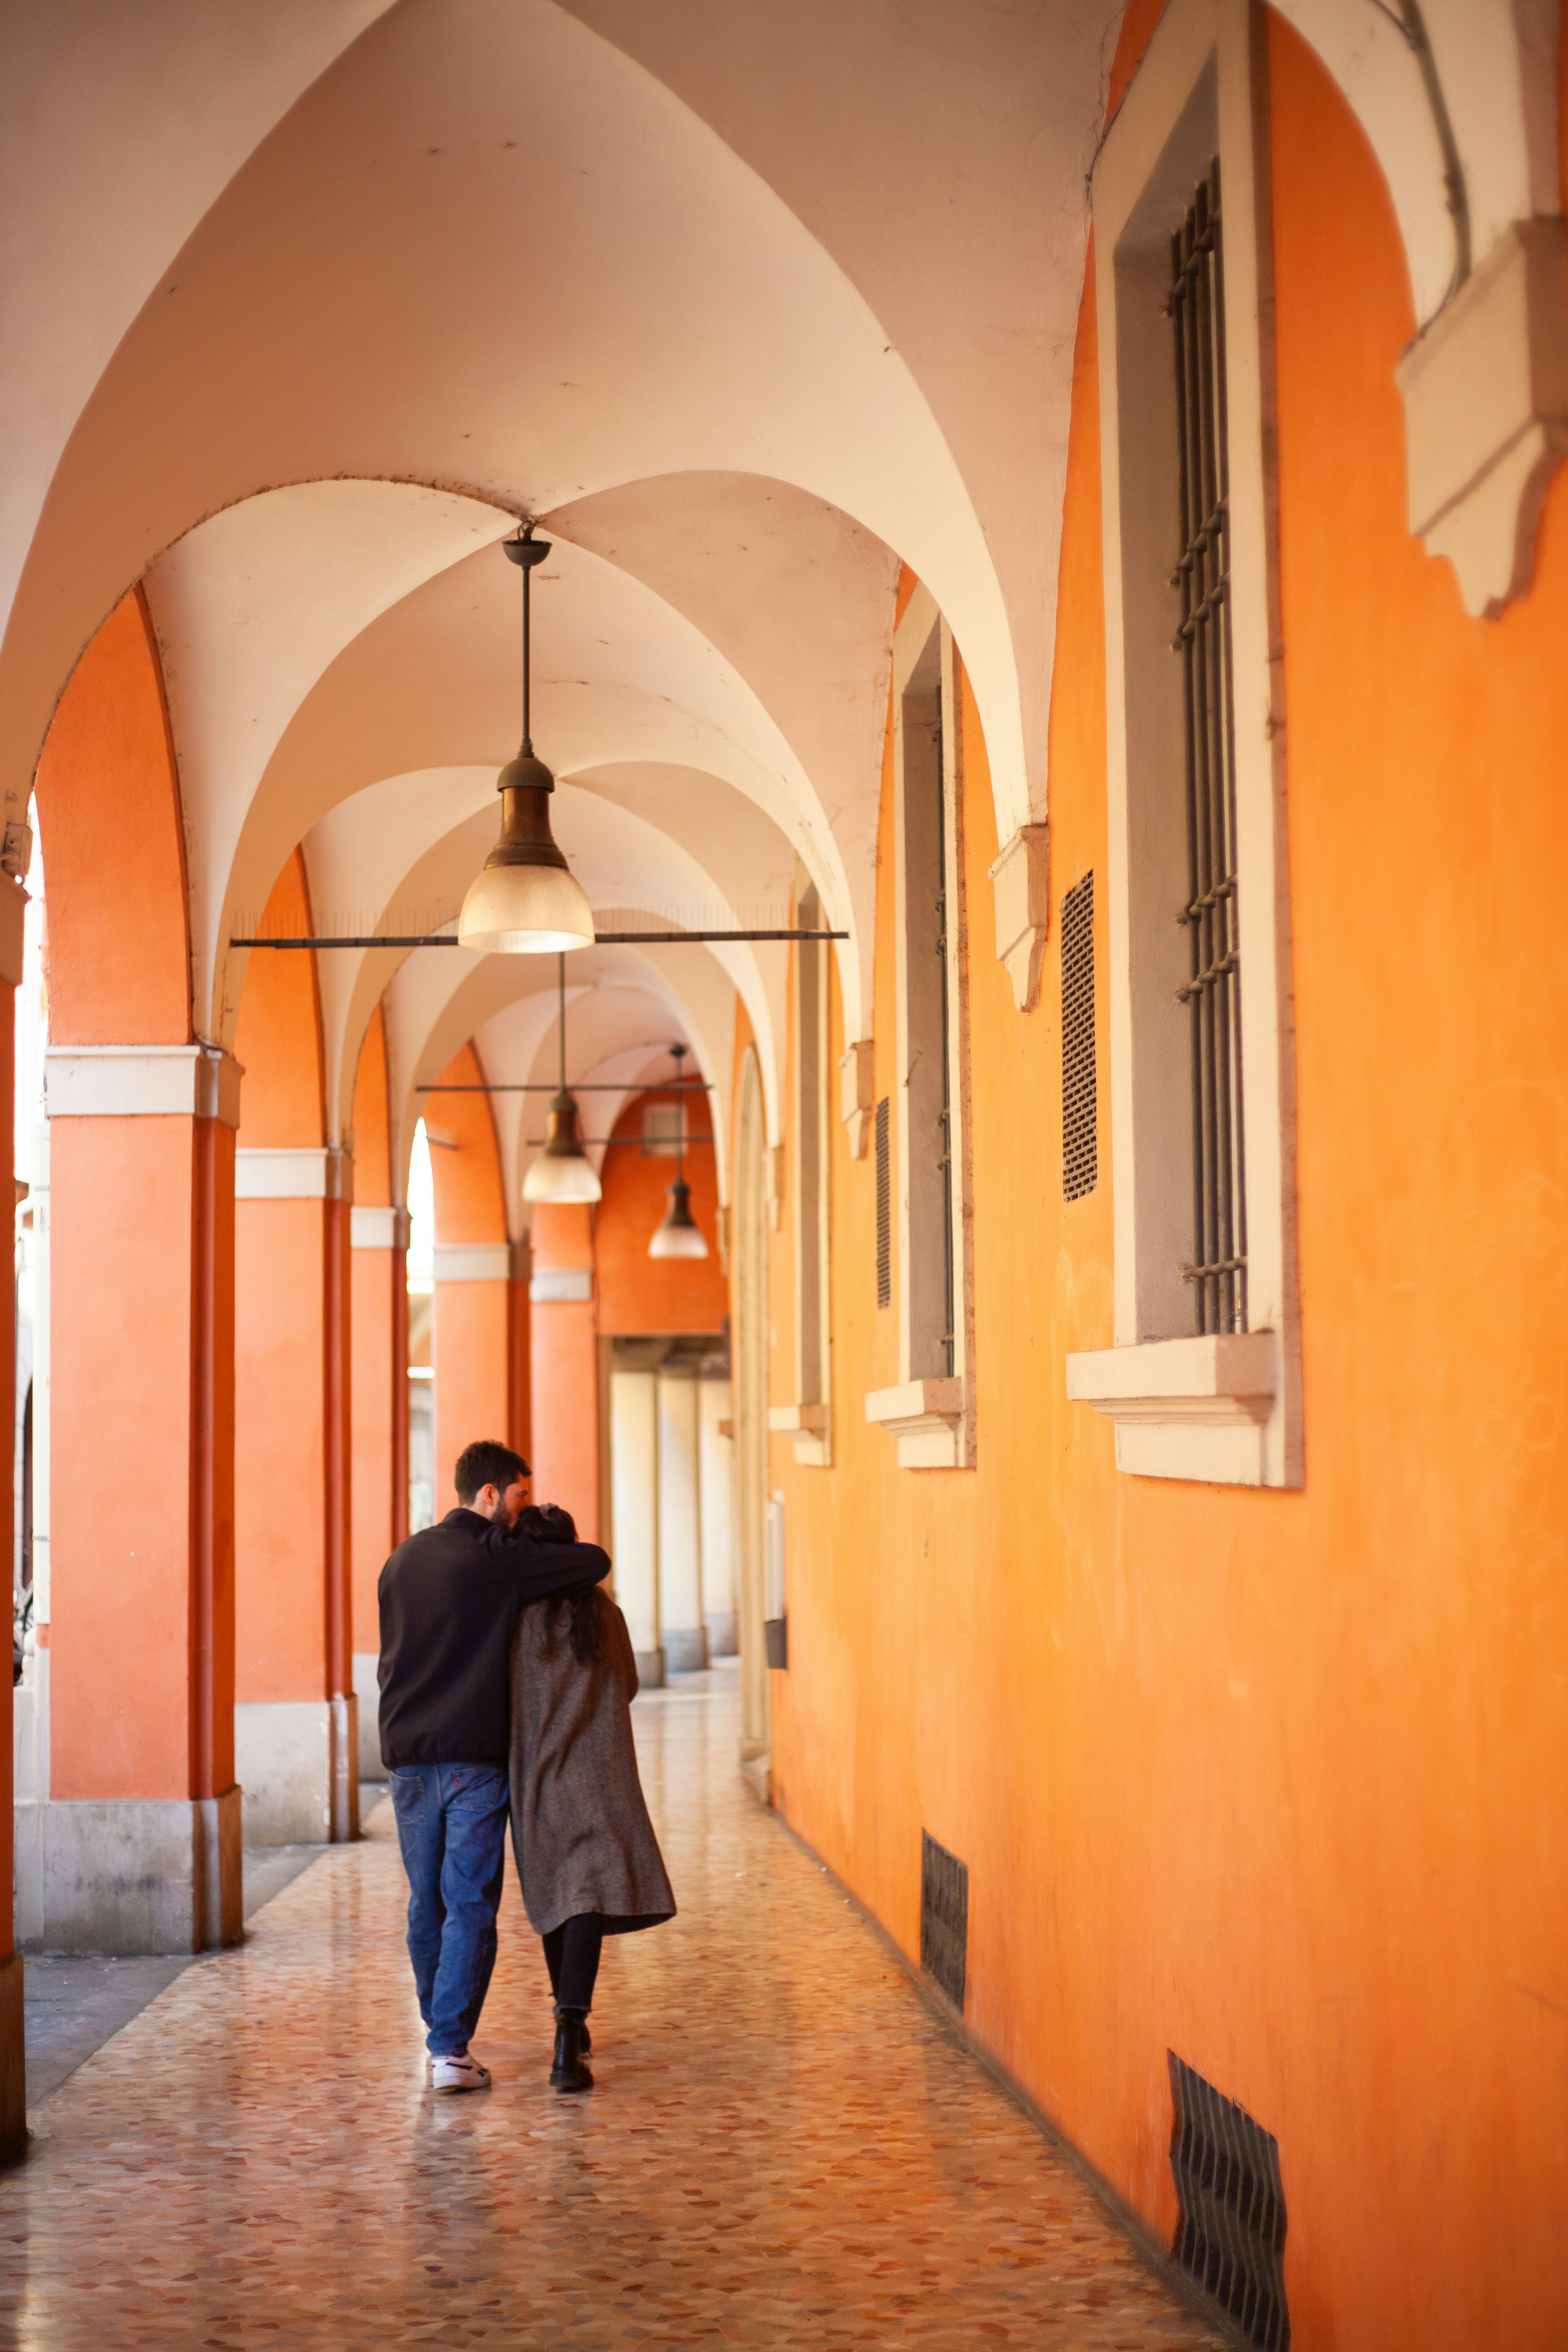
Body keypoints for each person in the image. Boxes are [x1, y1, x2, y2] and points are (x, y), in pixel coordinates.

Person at [378, 1441, 610, 2094]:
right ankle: (449, 2047)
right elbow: (592, 1561)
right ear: (488, 1495)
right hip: (474, 1761)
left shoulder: (402, 1558)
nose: (521, 1510)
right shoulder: (493, 1556)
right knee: (469, 1905)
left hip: (406, 1759)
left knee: (426, 1904)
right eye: (518, 1497)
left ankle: (441, 2036)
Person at [509, 1505, 675, 2093]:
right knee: (587, 1896)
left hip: (538, 1776)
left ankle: (566, 2020)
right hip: (600, 1775)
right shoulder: (605, 1614)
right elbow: (627, 1685)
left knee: (560, 1892)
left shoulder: (514, 1620)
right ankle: (569, 2028)